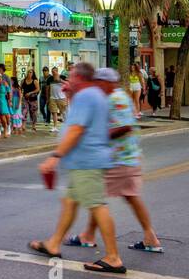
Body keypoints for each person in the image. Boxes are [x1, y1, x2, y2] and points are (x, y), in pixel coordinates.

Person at [30, 62, 124, 274]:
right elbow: (84, 120)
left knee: (97, 205)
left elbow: (76, 129)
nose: (67, 79)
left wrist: (55, 156)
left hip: (87, 161)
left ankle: (113, 257)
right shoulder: (94, 96)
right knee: (70, 202)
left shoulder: (86, 96)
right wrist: (71, 95)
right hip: (85, 160)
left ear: (80, 78)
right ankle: (54, 243)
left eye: (71, 76)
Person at [66, 68, 163, 254]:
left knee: (98, 196)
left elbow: (124, 126)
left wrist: (99, 136)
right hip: (123, 157)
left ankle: (99, 242)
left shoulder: (115, 98)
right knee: (124, 196)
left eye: (98, 82)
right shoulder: (115, 96)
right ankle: (149, 238)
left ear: (107, 82)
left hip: (119, 159)